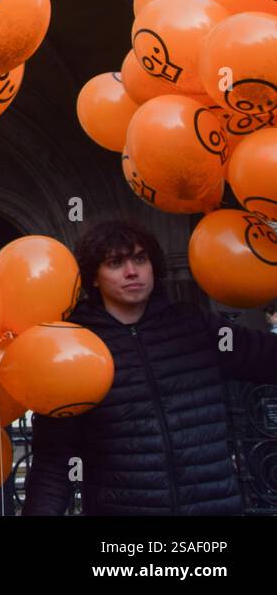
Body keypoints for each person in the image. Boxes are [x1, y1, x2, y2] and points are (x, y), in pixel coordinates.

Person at [23, 218, 277, 515]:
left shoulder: (194, 325)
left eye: (140, 259)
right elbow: (55, 458)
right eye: (115, 262)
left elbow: (267, 359)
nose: (132, 272)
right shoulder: (73, 345)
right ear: (94, 277)